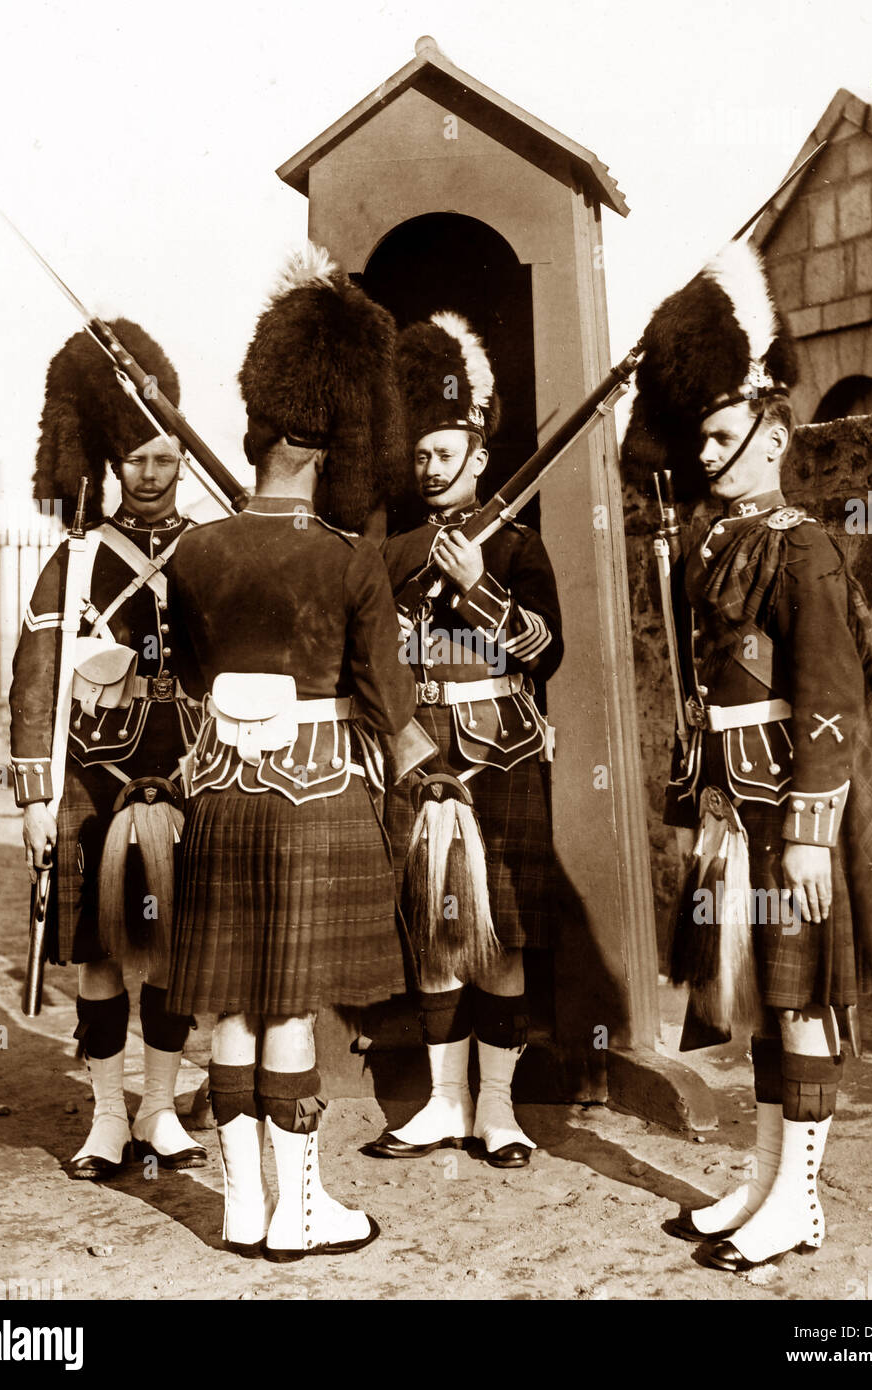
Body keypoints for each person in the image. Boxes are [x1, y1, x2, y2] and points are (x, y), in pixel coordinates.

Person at [623, 240, 872, 1272]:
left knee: (804, 1001)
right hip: (743, 810)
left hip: (793, 819)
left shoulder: (803, 548)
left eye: (725, 438)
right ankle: (764, 1180)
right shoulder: (722, 541)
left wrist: (811, 832)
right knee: (768, 1008)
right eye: (701, 442)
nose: (708, 459)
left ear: (771, 433)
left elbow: (825, 698)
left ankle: (802, 1203)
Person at [165, 244, 424, 1260]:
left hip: (220, 795)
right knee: (291, 1010)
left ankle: (239, 1202)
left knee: (230, 999)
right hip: (316, 800)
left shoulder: (193, 550)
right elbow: (383, 698)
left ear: (258, 428)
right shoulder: (348, 558)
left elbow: (185, 674)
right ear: (326, 447)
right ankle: (301, 1208)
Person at [364, 312, 563, 1170]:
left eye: (443, 452)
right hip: (422, 752)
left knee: (503, 935)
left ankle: (499, 1111)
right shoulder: (393, 550)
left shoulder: (518, 547)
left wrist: (480, 592)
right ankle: (442, 1104)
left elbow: (546, 650)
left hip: (501, 752)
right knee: (435, 930)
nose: (428, 466)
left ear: (479, 455)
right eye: (420, 454)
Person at [11, 321, 206, 1180]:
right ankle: (104, 1120)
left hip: (193, 777)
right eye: (138, 462)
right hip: (95, 779)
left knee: (172, 952)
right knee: (97, 953)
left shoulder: (212, 549)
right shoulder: (77, 558)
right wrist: (32, 799)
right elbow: (35, 679)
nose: (154, 475)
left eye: (166, 457)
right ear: (114, 466)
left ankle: (160, 1108)